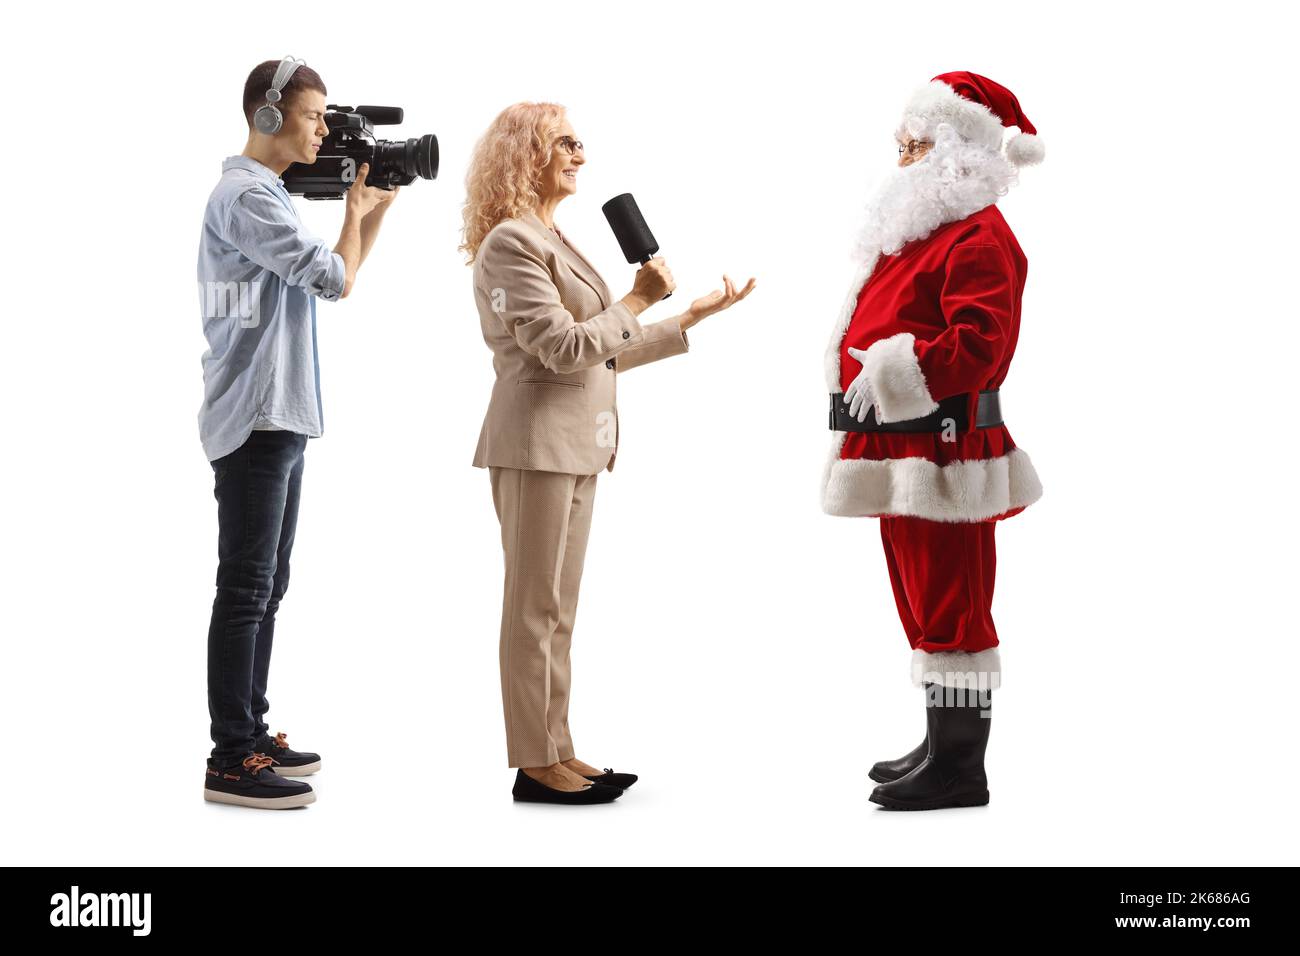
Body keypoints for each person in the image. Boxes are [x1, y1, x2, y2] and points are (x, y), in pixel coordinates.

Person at [462, 102, 755, 804]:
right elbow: (561, 348)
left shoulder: (553, 235)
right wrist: (637, 296)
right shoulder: (511, 242)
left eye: (580, 142)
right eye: (563, 142)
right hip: (534, 444)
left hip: (578, 446)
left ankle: (558, 749)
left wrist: (684, 317)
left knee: (557, 610)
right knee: (532, 610)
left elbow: (602, 352)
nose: (580, 154)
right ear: (523, 153)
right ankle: (535, 762)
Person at [820, 72, 1046, 810]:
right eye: (903, 143)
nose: (902, 157)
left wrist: (890, 368)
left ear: (960, 153)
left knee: (955, 605)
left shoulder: (982, 237)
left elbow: (979, 345)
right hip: (901, 449)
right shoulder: (921, 232)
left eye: (916, 144)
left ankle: (960, 768)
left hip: (945, 450)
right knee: (921, 600)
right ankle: (937, 740)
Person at [198, 57, 398, 809]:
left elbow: (339, 277)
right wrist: (352, 213)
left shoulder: (265, 197)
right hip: (255, 412)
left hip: (277, 412)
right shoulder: (248, 197)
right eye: (315, 117)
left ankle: (250, 733)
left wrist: (372, 209)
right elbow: (330, 276)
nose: (325, 130)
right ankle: (230, 756)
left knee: (267, 584)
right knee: (246, 587)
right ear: (271, 117)